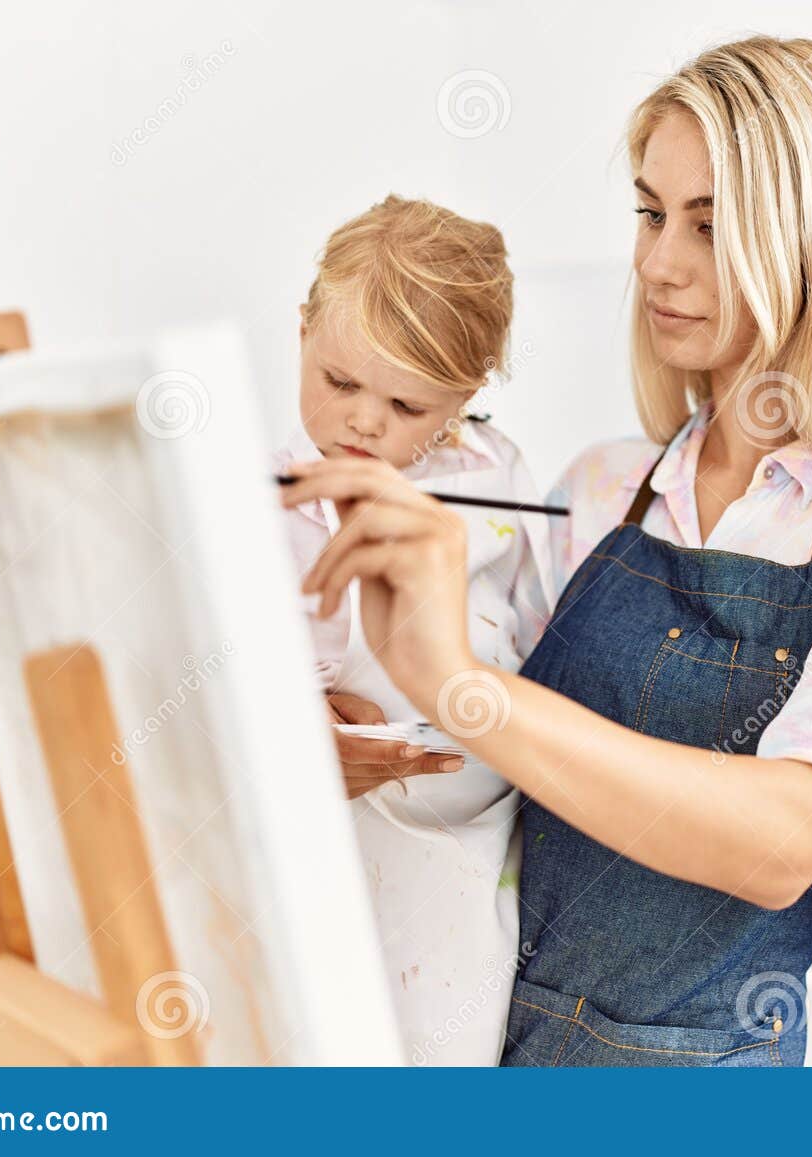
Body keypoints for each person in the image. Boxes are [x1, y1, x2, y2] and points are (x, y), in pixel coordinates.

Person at [282, 36, 812, 1067]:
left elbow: (781, 843)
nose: (654, 263)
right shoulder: (597, 489)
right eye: (649, 213)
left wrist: (459, 685)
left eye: (708, 225)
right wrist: (344, 744)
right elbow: (497, 774)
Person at [272, 195, 550, 1065]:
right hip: (330, 836)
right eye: (341, 382)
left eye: (407, 405)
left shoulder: (497, 474)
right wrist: (299, 733)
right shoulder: (267, 498)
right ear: (304, 329)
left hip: (462, 851)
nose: (363, 421)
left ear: (463, 399)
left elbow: (542, 638)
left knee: (441, 1048)